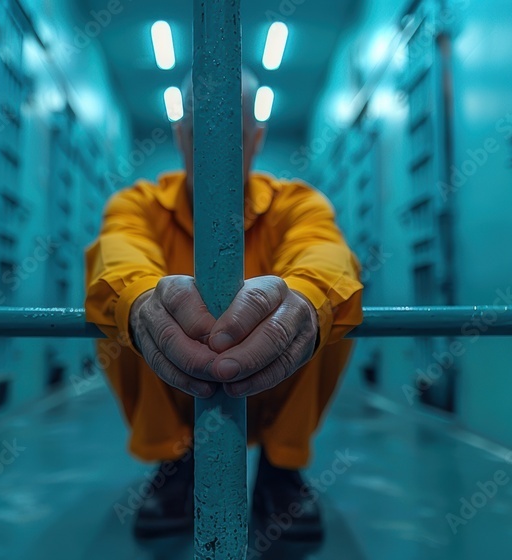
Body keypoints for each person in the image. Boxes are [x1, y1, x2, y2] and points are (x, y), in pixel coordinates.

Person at [84, 68, 363, 540]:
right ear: (179, 135)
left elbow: (325, 255)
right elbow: (119, 255)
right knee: (121, 309)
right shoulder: (137, 204)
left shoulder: (297, 203)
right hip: (175, 380)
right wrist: (141, 305)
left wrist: (303, 305)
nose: (216, 151)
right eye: (200, 132)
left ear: (257, 138)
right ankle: (175, 459)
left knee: (326, 309)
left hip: (273, 382)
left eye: (233, 134)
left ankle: (281, 466)